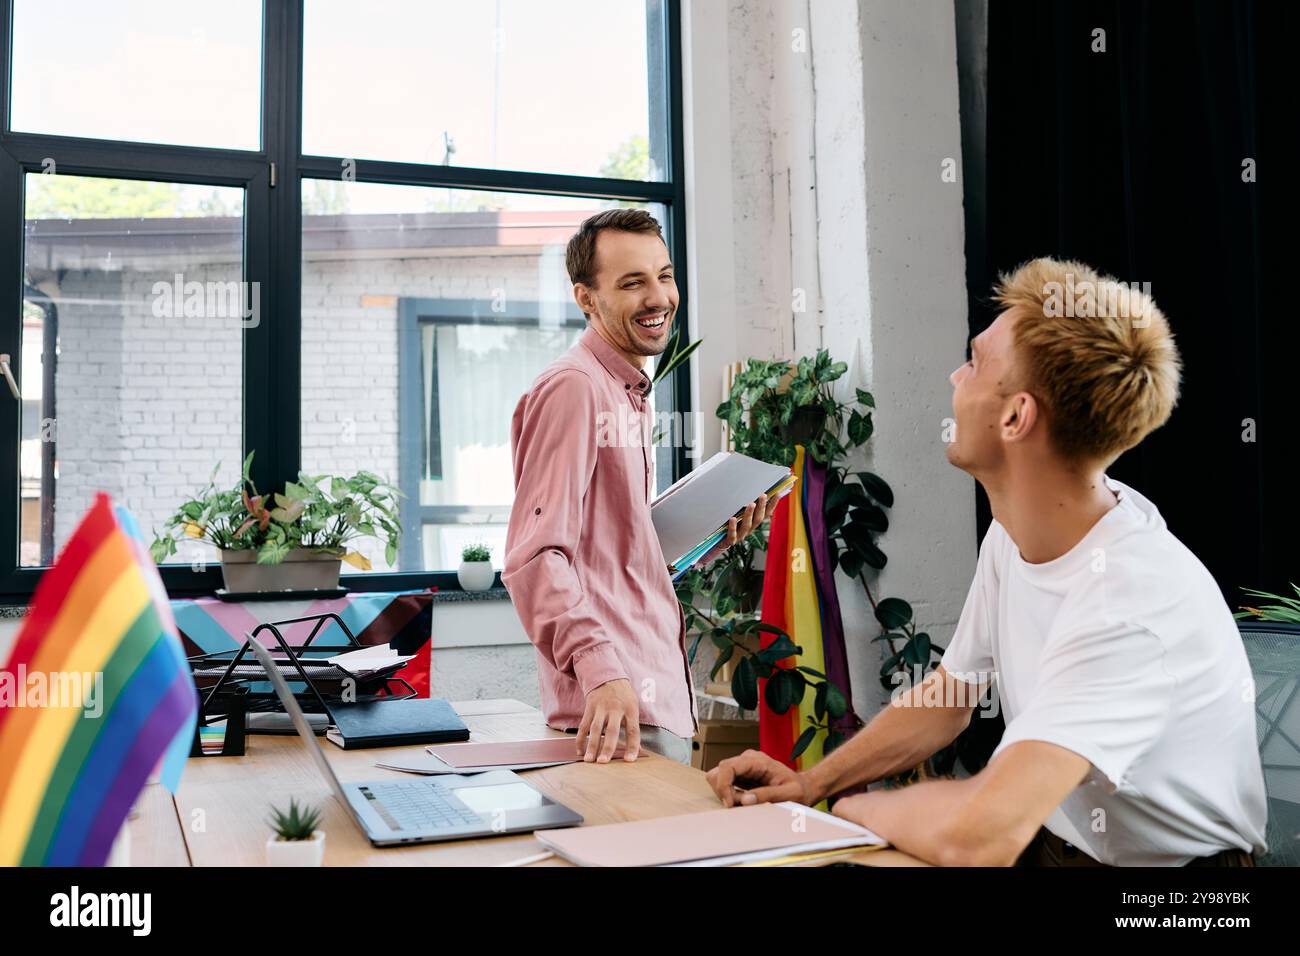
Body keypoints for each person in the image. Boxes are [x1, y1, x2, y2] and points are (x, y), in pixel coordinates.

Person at [706, 257, 1268, 866]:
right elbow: (952, 694)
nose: (954, 375)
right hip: (1064, 849)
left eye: (975, 362)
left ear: (1015, 416)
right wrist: (814, 784)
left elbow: (982, 835)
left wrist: (852, 810)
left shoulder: (1126, 600)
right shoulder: (1018, 533)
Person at [504, 209, 777, 765]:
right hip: (618, 708)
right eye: (633, 283)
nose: (659, 297)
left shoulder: (623, 392)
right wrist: (601, 669)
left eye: (665, 275)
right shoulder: (575, 390)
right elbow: (534, 557)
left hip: (650, 703)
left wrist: (708, 538)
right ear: (586, 298)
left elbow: (610, 556)